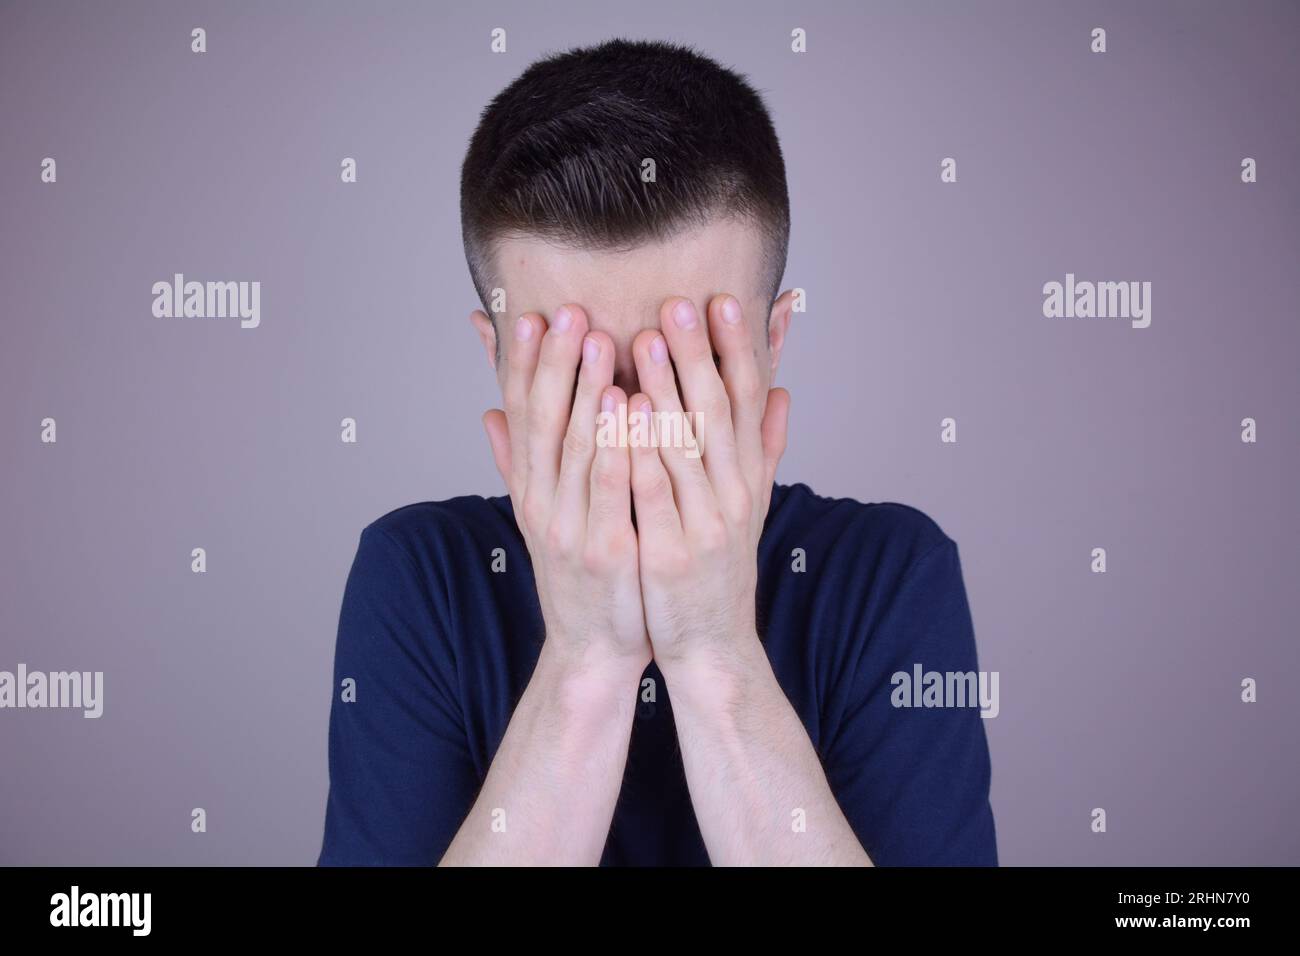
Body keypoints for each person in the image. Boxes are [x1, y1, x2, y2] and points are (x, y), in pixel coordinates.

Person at [317, 38, 996, 866]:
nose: (638, 429)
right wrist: (587, 661)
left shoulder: (888, 576)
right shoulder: (420, 579)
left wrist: (715, 652)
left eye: (686, 370)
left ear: (772, 342)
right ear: (496, 361)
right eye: (576, 379)